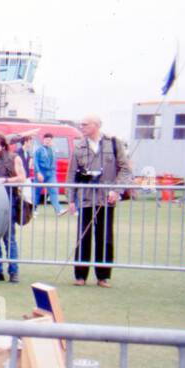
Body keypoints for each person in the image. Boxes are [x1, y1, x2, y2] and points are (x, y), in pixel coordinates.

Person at [70, 114, 132, 287]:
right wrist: (71, 199)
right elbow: (72, 174)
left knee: (105, 237)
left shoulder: (113, 143)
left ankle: (103, 276)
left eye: (85, 124)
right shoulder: (79, 146)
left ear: (96, 125)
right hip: (86, 198)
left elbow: (125, 169)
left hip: (106, 199)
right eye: (80, 124)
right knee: (83, 236)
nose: (81, 127)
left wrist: (116, 190)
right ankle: (80, 275)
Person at [0, 132, 26, 283]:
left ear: (3, 146)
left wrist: (6, 180)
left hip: (9, 202)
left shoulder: (14, 158)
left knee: (10, 239)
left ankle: (13, 271)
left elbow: (22, 178)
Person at [33, 132, 62, 213]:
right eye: (46, 140)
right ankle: (33, 208)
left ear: (52, 140)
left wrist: (54, 172)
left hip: (51, 174)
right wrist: (38, 172)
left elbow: (54, 162)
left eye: (49, 140)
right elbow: (35, 162)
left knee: (54, 191)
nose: (47, 141)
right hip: (41, 173)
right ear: (43, 140)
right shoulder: (39, 150)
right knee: (37, 192)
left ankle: (58, 210)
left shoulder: (53, 150)